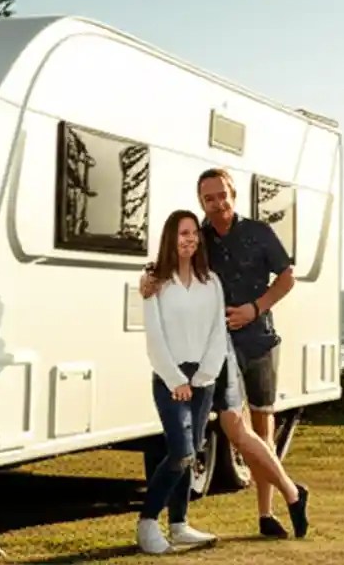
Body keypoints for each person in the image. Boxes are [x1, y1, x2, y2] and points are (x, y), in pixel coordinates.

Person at [140, 167, 310, 539]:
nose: (217, 204)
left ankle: (267, 513)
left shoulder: (259, 233)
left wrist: (255, 307)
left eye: (222, 196)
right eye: (208, 198)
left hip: (260, 340)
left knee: (262, 429)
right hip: (220, 347)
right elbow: (170, 259)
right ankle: (289, 496)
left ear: (233, 195)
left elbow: (287, 277)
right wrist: (148, 278)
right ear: (201, 201)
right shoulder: (199, 238)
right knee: (235, 429)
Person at [136, 208, 231, 554]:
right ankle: (147, 524)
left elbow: (217, 333)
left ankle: (179, 525)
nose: (189, 239)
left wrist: (206, 375)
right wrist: (175, 378)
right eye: (182, 233)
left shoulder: (212, 282)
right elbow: (154, 335)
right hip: (169, 376)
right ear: (170, 239)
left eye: (193, 233)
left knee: (191, 455)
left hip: (203, 378)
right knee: (180, 450)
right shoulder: (154, 280)